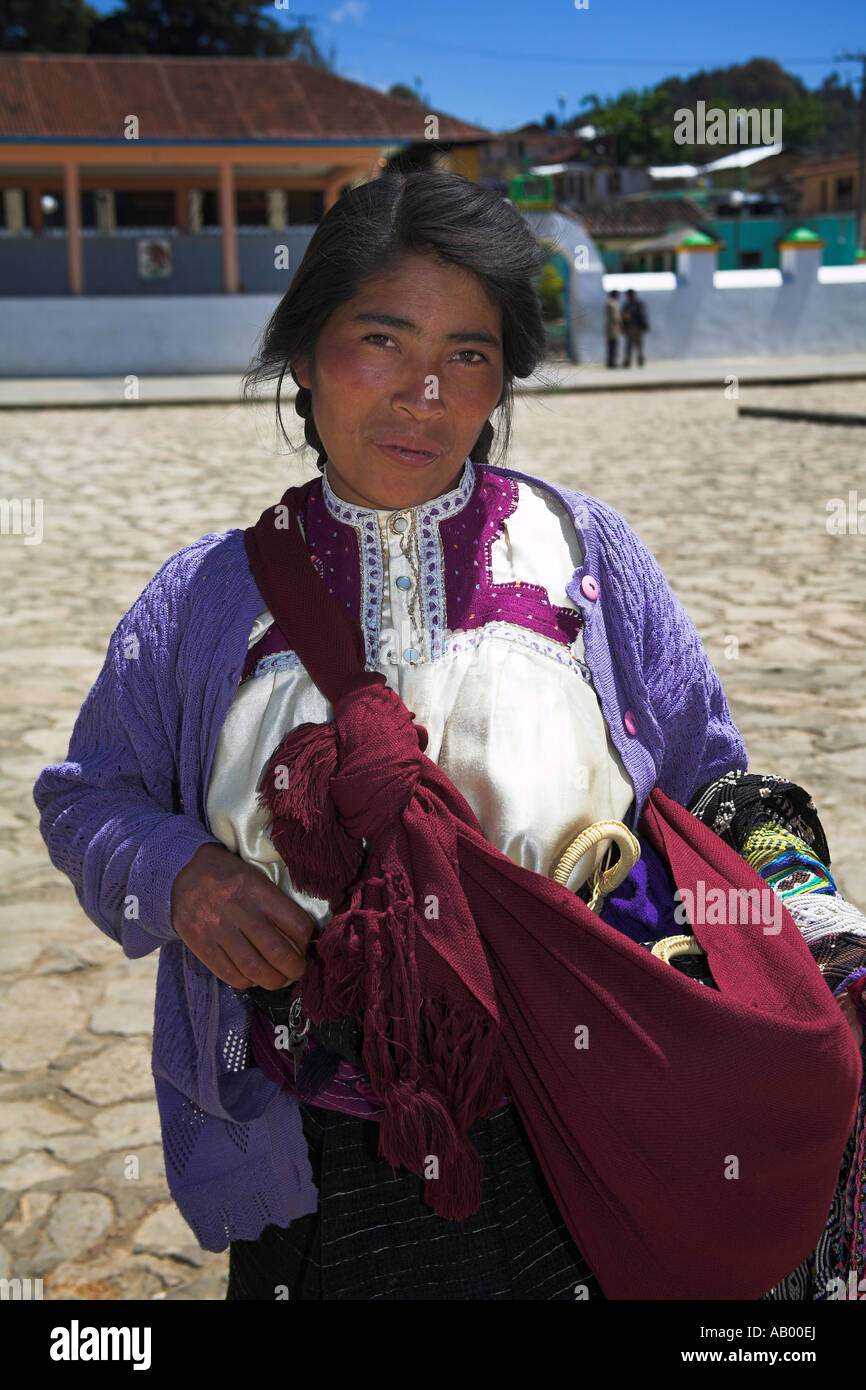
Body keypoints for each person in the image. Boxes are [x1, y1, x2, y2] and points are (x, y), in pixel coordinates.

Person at [32, 170, 864, 1302]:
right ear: (304, 353)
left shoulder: (584, 558)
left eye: (467, 353)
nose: (423, 392)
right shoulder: (203, 601)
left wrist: (802, 920)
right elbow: (87, 796)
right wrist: (183, 880)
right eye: (381, 338)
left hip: (577, 1129)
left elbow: (705, 779)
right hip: (318, 1154)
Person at [621, 288, 649, 367]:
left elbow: (643, 315)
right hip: (629, 328)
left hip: (638, 327)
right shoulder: (627, 305)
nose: (629, 297)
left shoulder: (639, 304)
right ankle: (627, 361)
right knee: (628, 346)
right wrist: (624, 327)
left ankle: (640, 361)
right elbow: (624, 317)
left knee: (639, 345)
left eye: (631, 295)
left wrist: (644, 325)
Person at [604, 288, 621, 368]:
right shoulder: (612, 303)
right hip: (613, 327)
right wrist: (619, 325)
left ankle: (611, 362)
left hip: (611, 327)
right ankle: (612, 362)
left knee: (611, 346)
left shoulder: (610, 302)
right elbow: (615, 317)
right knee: (613, 346)